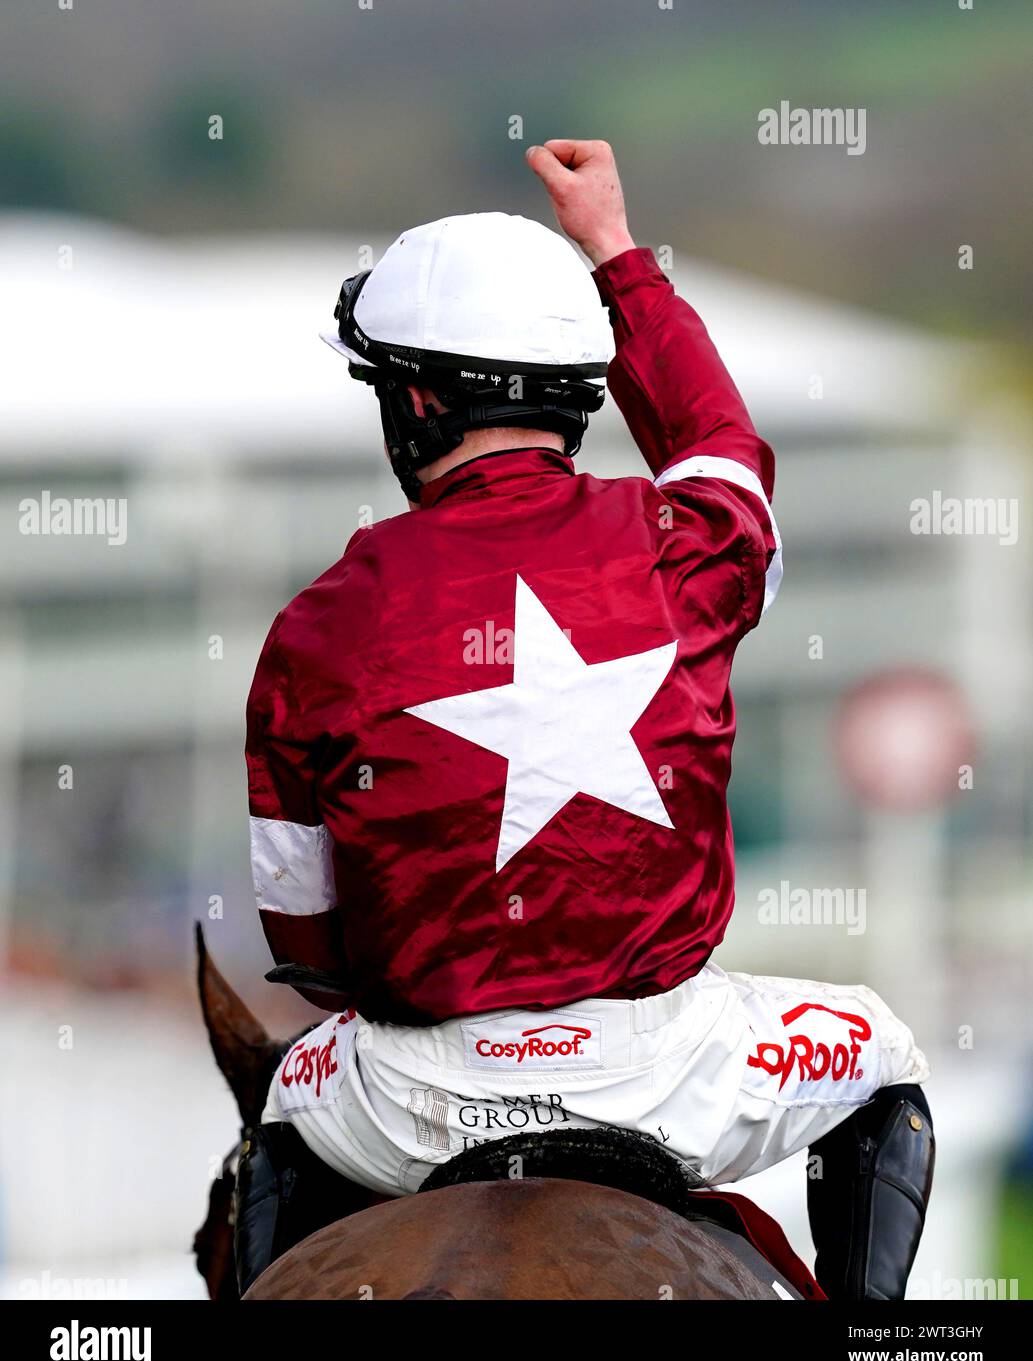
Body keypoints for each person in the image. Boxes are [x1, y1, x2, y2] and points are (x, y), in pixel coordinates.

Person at [239, 139, 933, 1297]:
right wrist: (615, 251)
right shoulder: (692, 544)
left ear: (411, 401)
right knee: (887, 1059)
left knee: (276, 1109)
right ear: (583, 393)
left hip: (414, 1098)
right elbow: (722, 443)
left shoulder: (317, 627)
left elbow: (304, 945)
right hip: (675, 1074)